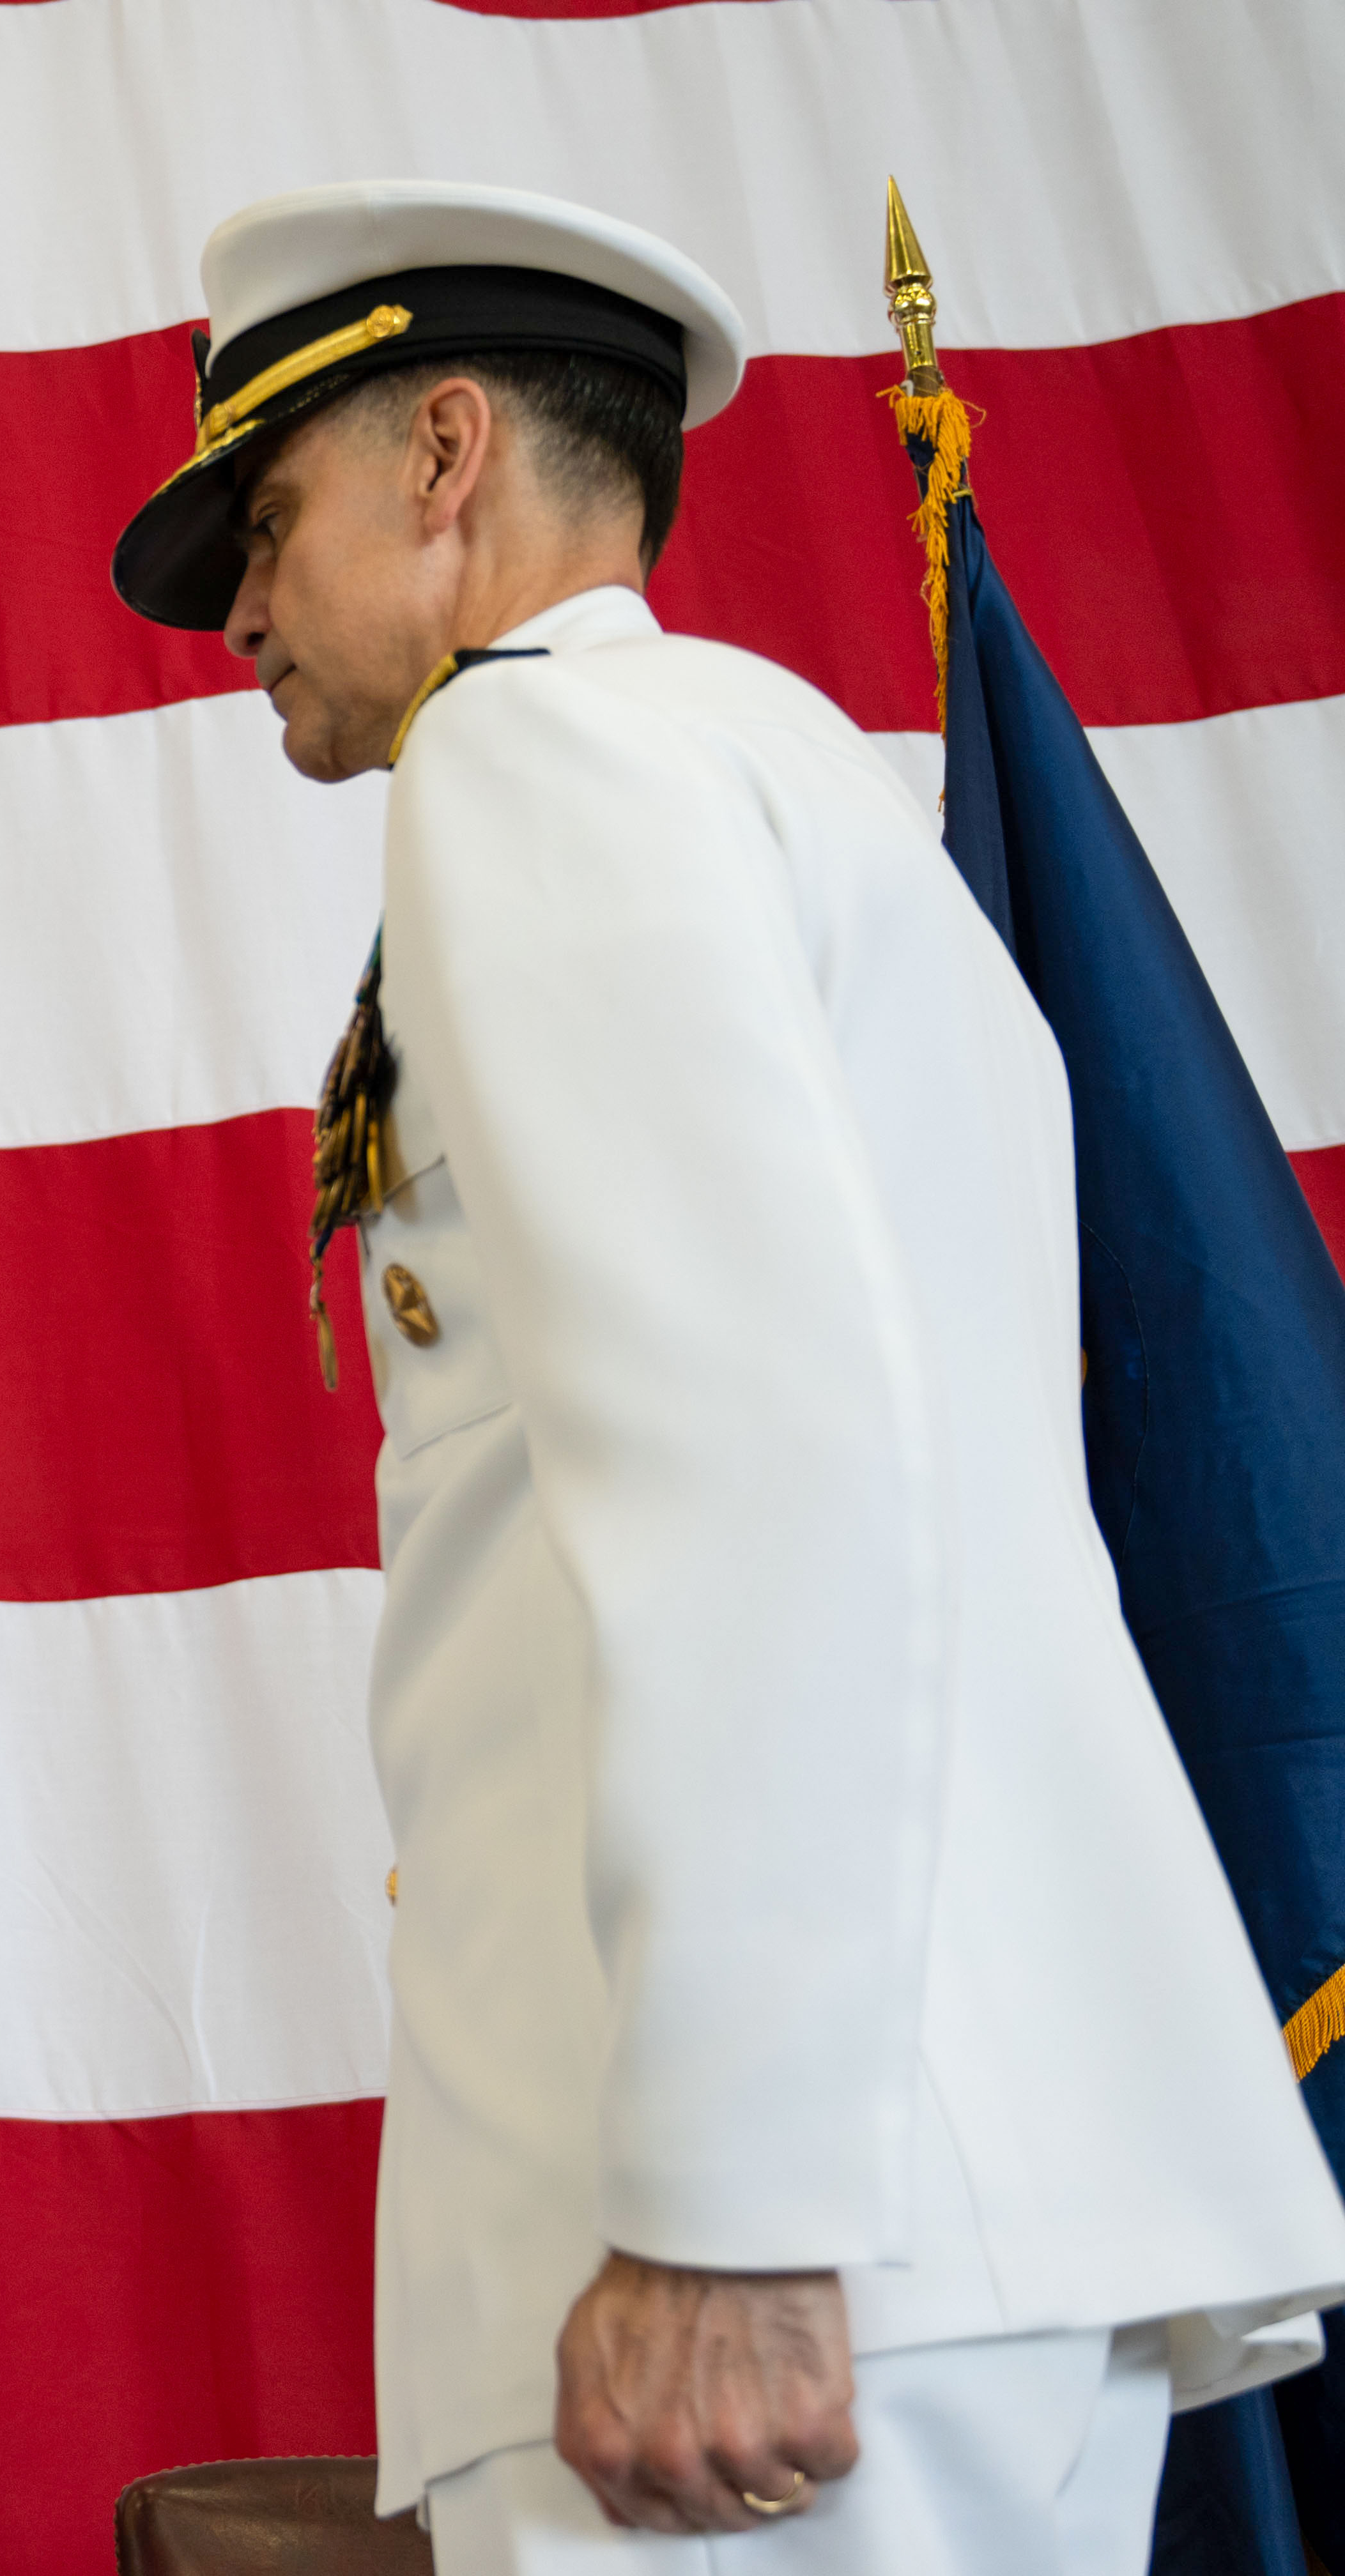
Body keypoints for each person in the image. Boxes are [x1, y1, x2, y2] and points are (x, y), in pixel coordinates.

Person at [106, 180, 1345, 2572]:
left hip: (788, 2210)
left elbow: (746, 1456)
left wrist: (721, 2195)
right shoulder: (776, 769)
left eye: (264, 522)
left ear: (442, 451)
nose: (236, 612)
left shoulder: (539, 765)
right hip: (957, 2169)